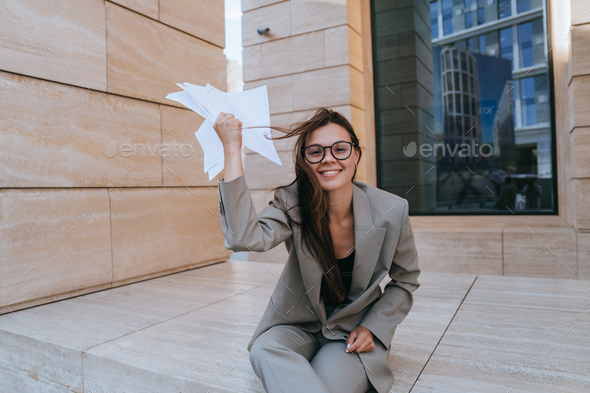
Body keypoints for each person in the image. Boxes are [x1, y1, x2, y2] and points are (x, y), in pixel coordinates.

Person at [214, 108, 421, 393]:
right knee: (264, 350)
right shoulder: (291, 203)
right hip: (297, 326)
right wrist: (232, 148)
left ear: (356, 155)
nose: (328, 159)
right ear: (305, 162)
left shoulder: (391, 210)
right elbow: (243, 238)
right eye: (315, 152)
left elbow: (405, 280)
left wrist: (374, 327)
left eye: (340, 149)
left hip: (351, 331)